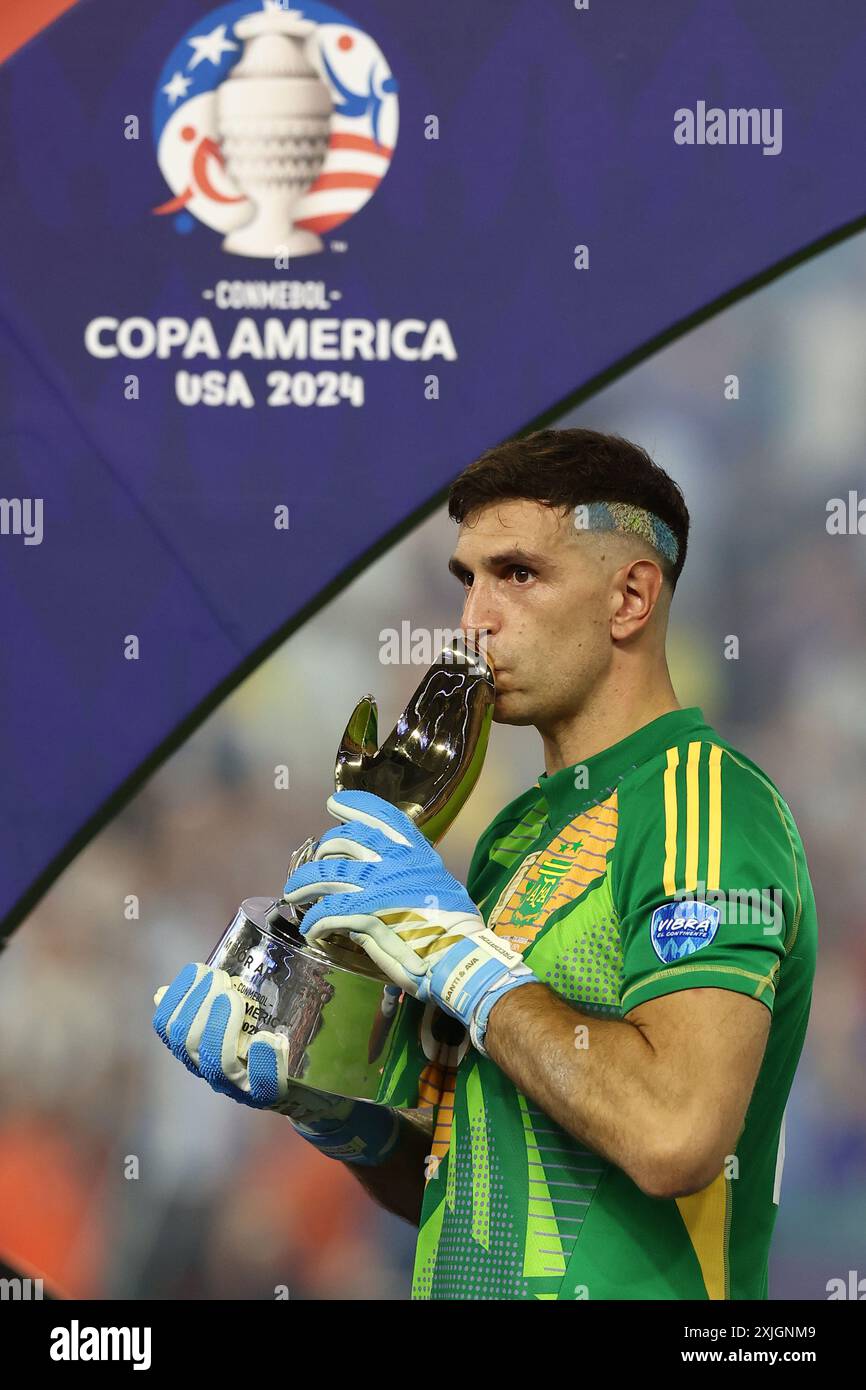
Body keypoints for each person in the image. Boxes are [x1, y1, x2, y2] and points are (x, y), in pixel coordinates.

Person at [153, 427, 817, 1300]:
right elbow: (462, 1187)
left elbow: (676, 1135)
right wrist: (334, 1111)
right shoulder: (513, 835)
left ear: (630, 597)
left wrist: (468, 962)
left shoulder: (704, 804)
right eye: (468, 580)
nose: (474, 620)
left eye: (520, 574)